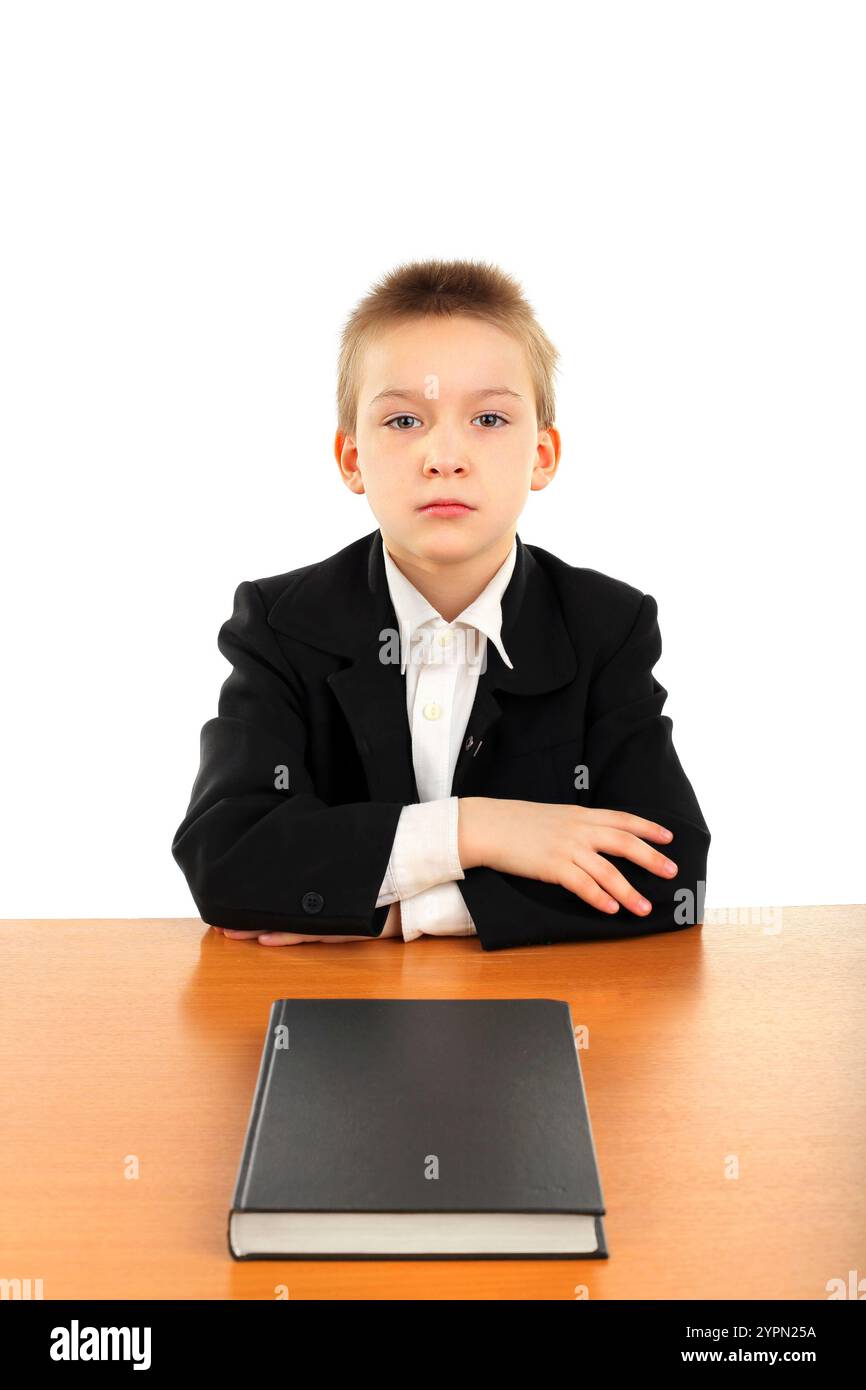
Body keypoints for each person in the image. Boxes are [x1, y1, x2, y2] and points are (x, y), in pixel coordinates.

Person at [171, 258, 710, 951]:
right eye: (403, 419)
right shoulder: (280, 624)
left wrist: (409, 911)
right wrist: (479, 829)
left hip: (536, 1019)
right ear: (351, 458)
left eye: (488, 417)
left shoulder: (605, 626)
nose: (444, 454)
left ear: (542, 455)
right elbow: (228, 860)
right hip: (337, 1023)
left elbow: (671, 876)